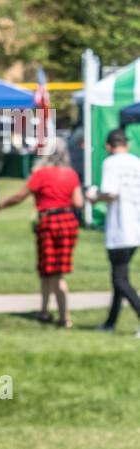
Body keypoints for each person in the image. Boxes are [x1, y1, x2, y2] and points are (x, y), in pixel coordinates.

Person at [0, 137, 83, 328]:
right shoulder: (71, 174)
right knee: (53, 269)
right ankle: (45, 311)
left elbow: (19, 196)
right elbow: (78, 203)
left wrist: (0, 206)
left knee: (50, 271)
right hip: (68, 222)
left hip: (49, 222)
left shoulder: (41, 174)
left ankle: (63, 316)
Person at [86, 128, 140, 336]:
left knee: (120, 279)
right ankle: (110, 322)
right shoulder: (136, 162)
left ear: (109, 146)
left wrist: (93, 196)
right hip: (136, 225)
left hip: (120, 227)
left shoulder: (110, 163)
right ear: (126, 144)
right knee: (119, 276)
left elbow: (110, 194)